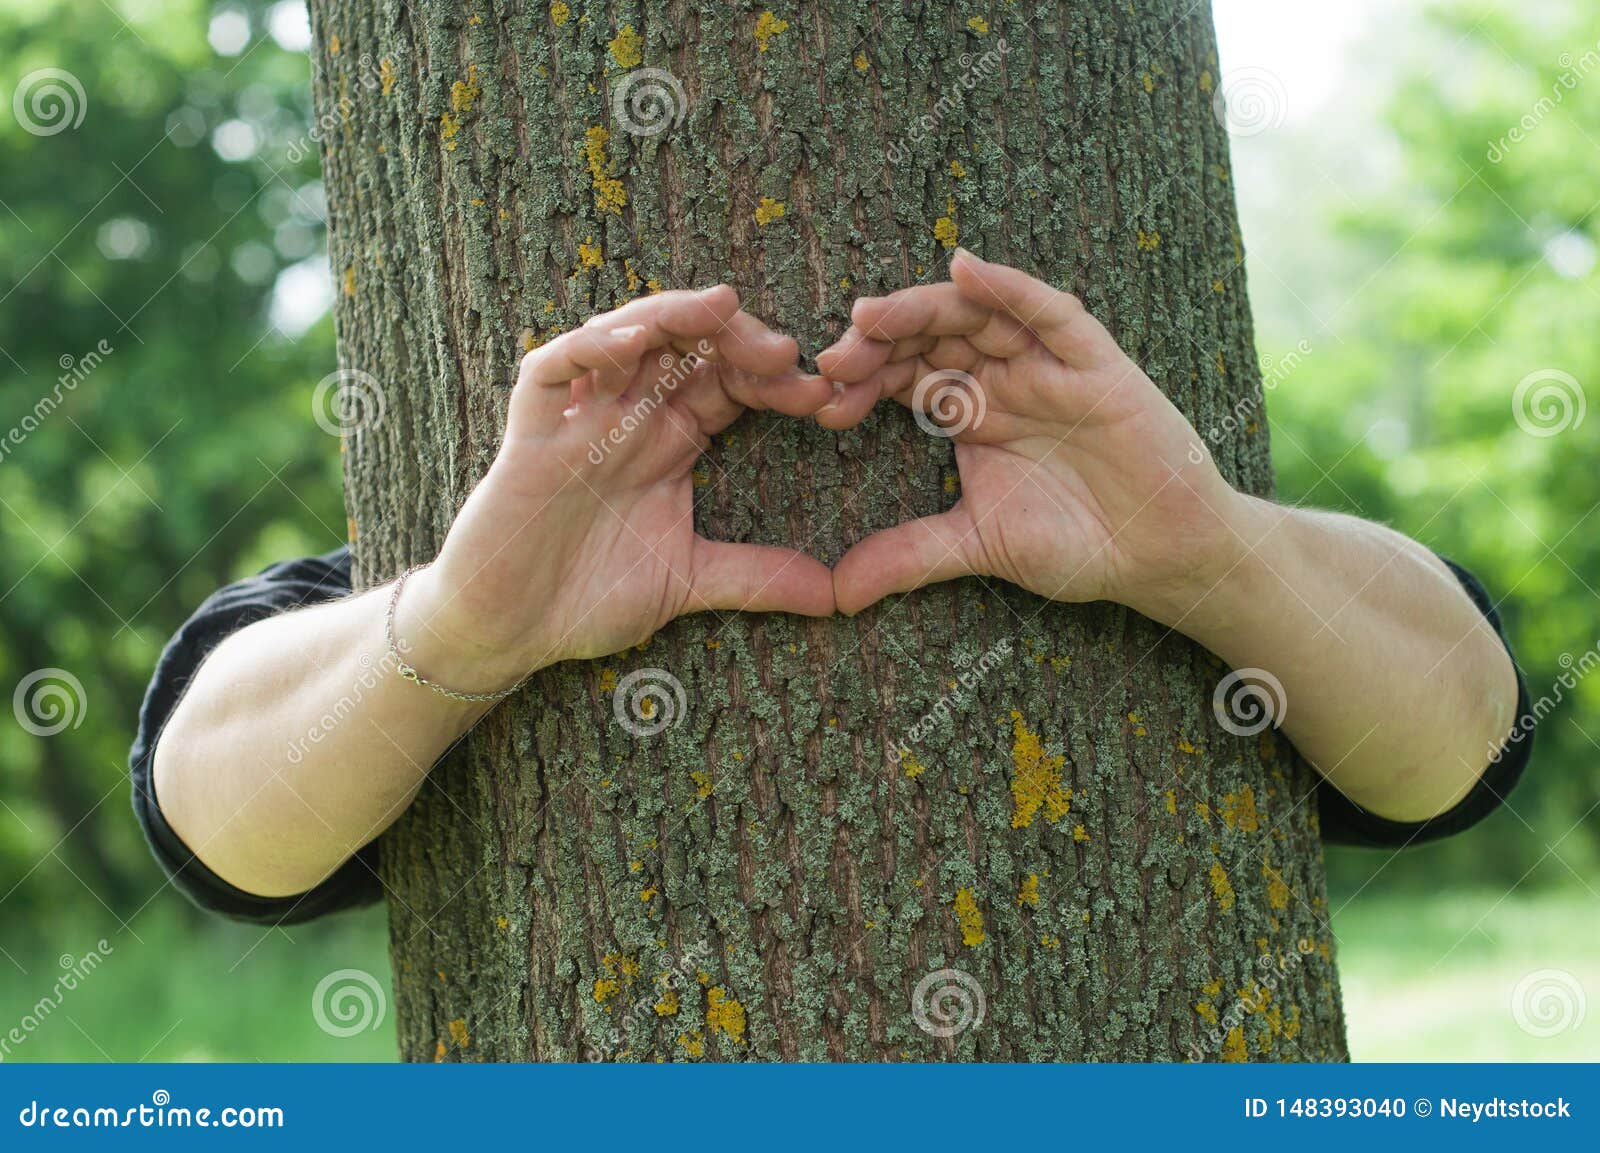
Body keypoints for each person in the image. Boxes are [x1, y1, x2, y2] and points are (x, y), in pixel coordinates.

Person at [130, 251, 1532, 924]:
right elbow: (214, 817)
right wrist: (465, 624)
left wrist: (1208, 550)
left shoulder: (1216, 540)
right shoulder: (400, 591)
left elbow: (1460, 739)